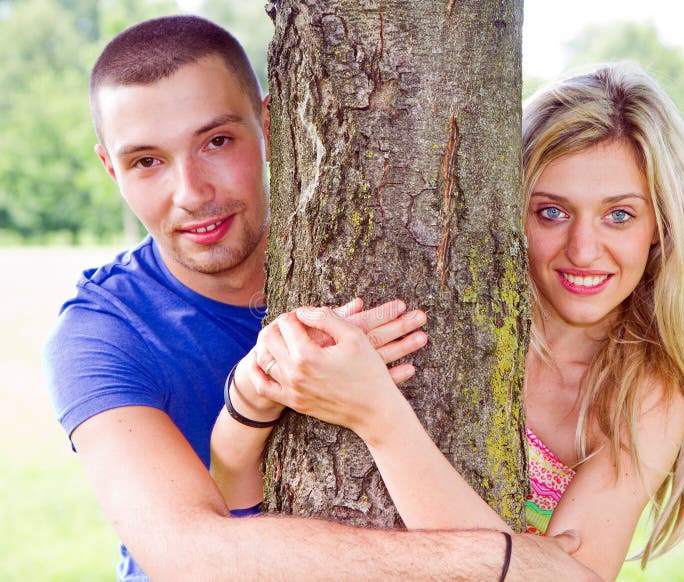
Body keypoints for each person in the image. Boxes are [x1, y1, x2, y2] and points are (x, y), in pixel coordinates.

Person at [44, 15, 597, 582]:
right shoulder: (102, 331)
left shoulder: (402, 258)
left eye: (216, 141)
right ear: (111, 169)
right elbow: (187, 555)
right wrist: (497, 560)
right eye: (146, 161)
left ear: (269, 124)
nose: (191, 193)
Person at [215, 62, 684, 580]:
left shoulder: (646, 392)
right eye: (551, 212)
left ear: (661, 225)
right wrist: (251, 399)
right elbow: (239, 516)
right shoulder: (454, 323)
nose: (583, 249)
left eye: (619, 215)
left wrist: (378, 416)